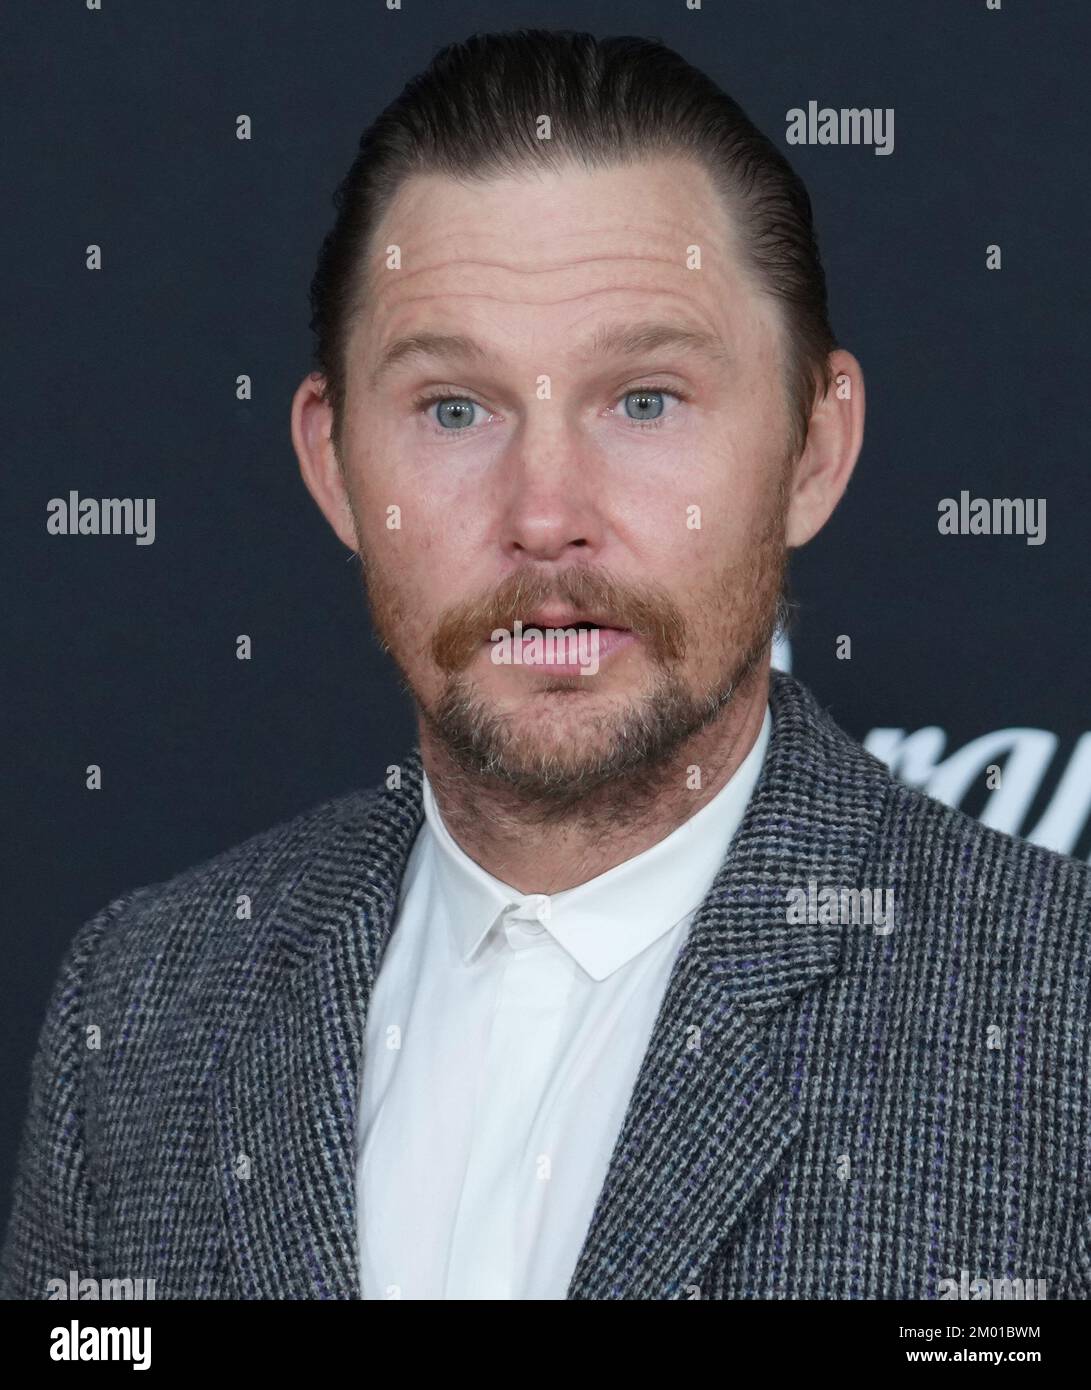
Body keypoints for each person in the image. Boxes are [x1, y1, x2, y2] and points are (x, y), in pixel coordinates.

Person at [3, 29, 1088, 1302]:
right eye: (453, 409)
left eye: (643, 400)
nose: (543, 512)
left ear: (810, 449)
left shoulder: (1057, 1016)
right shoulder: (134, 1009)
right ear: (333, 461)